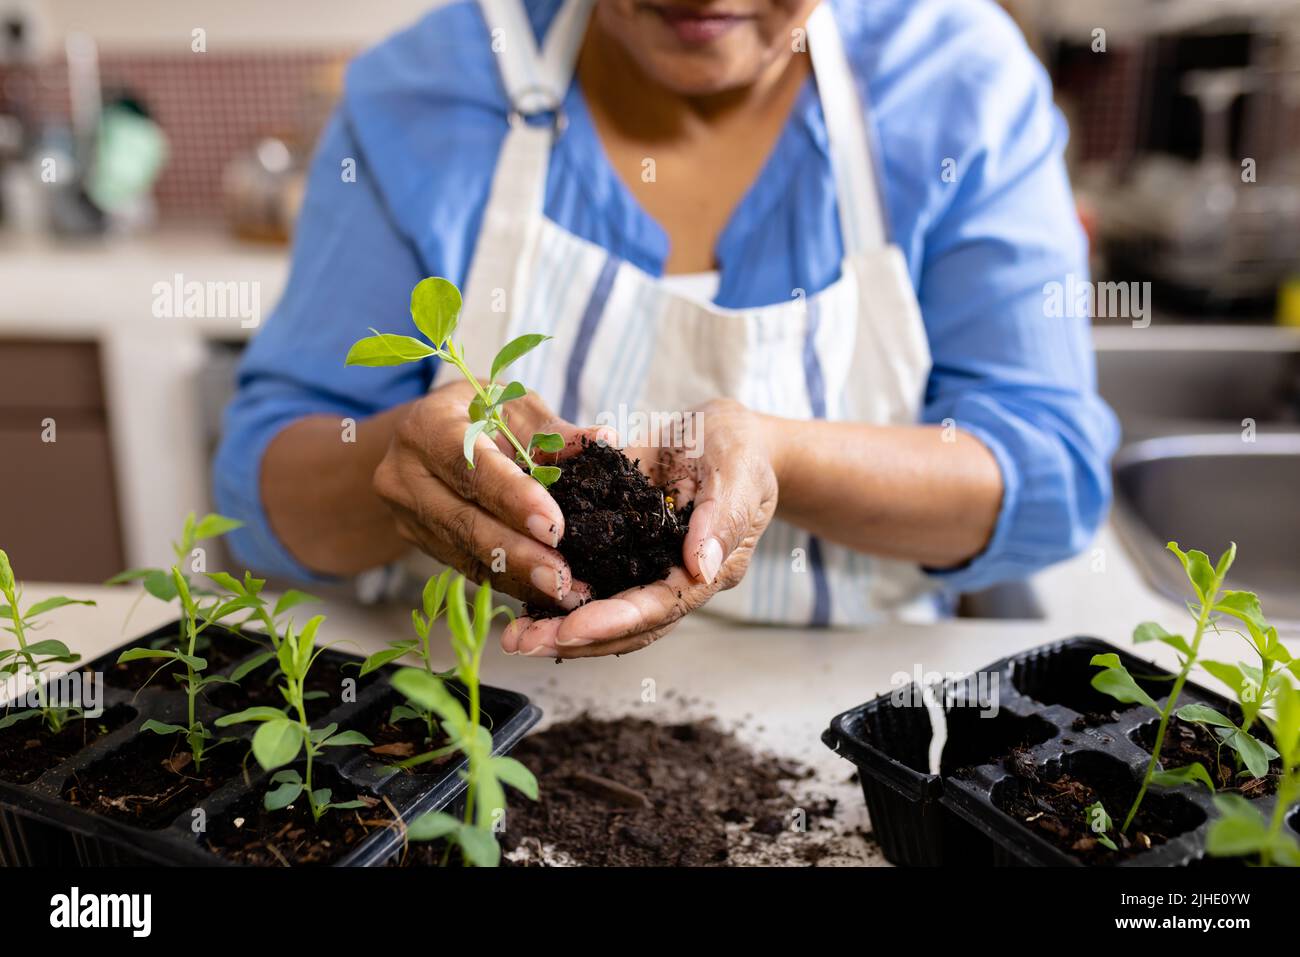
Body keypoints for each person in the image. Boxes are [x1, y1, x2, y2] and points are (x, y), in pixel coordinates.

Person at [214, 0, 1119, 658]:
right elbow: (261, 500)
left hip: (844, 733)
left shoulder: (959, 82)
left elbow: (1048, 475)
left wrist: (776, 457)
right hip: (477, 719)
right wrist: (394, 463)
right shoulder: (422, 91)